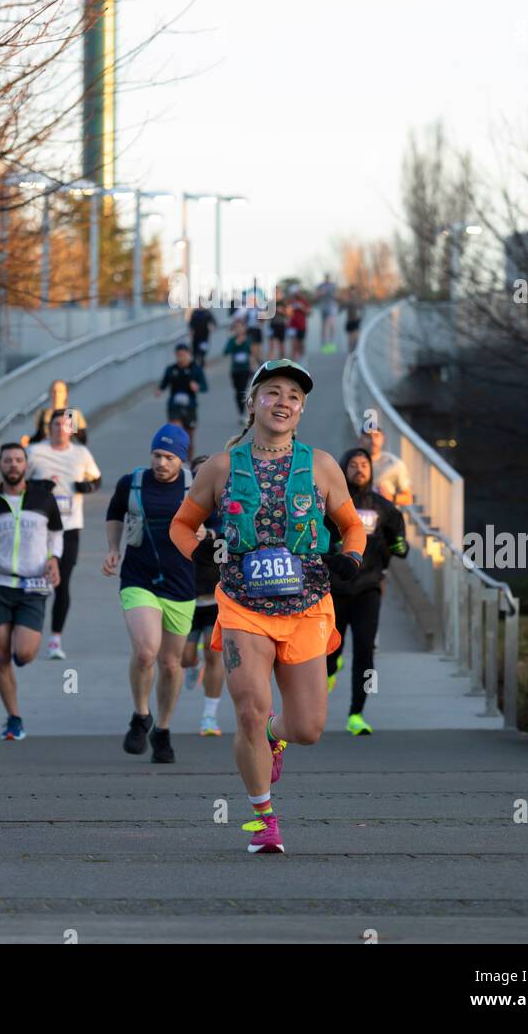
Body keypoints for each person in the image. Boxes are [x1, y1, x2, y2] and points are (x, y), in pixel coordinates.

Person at [170, 360, 367, 855]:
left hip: (306, 606)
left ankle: (279, 737)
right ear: (253, 401)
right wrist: (201, 553)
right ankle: (263, 818)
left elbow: (353, 526)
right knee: (251, 711)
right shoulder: (220, 466)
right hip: (242, 606)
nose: (283, 402)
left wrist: (352, 556)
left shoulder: (321, 464)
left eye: (294, 397)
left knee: (308, 728)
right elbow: (181, 525)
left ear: (301, 411)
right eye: (273, 392)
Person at [102, 424, 197, 764]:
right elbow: (115, 513)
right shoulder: (133, 482)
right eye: (157, 455)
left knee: (172, 664)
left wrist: (209, 532)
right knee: (146, 652)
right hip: (138, 579)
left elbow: (219, 521)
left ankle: (164, 729)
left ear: (181, 459)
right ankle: (141, 716)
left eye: (169, 457)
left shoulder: (194, 486)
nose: (161, 463)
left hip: (181, 586)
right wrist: (113, 549)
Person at [0, 443, 62, 740]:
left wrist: (53, 559)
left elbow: (56, 534)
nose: (13, 465)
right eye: (8, 461)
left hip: (33, 586)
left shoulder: (44, 499)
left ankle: (20, 654)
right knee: (0, 651)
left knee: (26, 653)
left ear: (26, 465)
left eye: (18, 460)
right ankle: (14, 718)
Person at [325, 447, 409, 734]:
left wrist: (400, 546)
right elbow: (312, 539)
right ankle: (331, 668)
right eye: (353, 465)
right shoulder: (327, 504)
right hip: (334, 588)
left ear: (371, 470)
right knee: (328, 650)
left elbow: (399, 541)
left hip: (368, 588)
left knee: (365, 651)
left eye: (364, 464)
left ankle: (356, 714)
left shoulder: (383, 507)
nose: (359, 469)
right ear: (342, 469)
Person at [26, 408, 101, 659]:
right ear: (49, 428)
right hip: (39, 528)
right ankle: (31, 633)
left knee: (62, 582)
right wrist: (37, 488)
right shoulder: (35, 452)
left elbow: (97, 479)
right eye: (55, 424)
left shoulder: (81, 453)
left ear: (72, 429)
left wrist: (86, 486)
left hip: (70, 526)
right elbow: (16, 482)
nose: (60, 429)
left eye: (65, 425)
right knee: (37, 582)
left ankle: (55, 640)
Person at [181, 455, 227, 736]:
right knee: (185, 657)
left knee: (214, 655)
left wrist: (209, 533)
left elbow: (235, 532)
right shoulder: (185, 507)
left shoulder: (227, 504)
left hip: (216, 594)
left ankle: (209, 718)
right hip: (185, 595)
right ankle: (191, 664)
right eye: (198, 475)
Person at [155, 342, 208, 459]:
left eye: (183, 355)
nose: (181, 358)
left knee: (188, 438)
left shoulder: (196, 369)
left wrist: (197, 387)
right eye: (178, 355)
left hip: (190, 408)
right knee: (176, 433)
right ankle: (175, 459)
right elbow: (164, 383)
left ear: (189, 354)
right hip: (174, 406)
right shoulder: (171, 369)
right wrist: (159, 390)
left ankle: (187, 462)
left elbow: (205, 387)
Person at [21, 377, 89, 447]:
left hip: (66, 452)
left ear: (66, 394)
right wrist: (28, 440)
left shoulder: (71, 413)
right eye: (54, 391)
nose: (56, 394)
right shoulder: (42, 413)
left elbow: (82, 439)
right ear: (50, 393)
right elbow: (40, 436)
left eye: (60, 391)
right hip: (48, 452)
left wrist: (72, 425)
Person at [358, 422, 413, 506]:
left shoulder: (394, 464)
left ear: (383, 439)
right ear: (360, 439)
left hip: (385, 515)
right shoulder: (352, 462)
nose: (373, 440)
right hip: (357, 514)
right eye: (368, 436)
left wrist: (391, 497)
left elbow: (408, 498)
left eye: (376, 436)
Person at [223, 315, 254, 415]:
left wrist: (254, 366)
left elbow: (252, 353)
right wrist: (236, 343)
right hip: (235, 370)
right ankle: (240, 410)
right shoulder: (232, 340)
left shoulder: (248, 339)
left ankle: (243, 412)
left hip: (245, 369)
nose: (239, 329)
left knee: (243, 389)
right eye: (237, 327)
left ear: (245, 328)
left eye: (241, 327)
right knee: (237, 391)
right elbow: (225, 352)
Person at [316, 273, 338, 353]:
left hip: (331, 307)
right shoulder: (320, 285)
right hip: (323, 307)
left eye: (328, 277)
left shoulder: (333, 285)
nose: (327, 279)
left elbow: (337, 296)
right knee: (323, 326)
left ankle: (332, 345)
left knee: (331, 325)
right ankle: (324, 345)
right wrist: (321, 293)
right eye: (326, 277)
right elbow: (316, 296)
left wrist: (333, 295)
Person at [286, 290, 310, 361]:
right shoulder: (290, 301)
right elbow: (287, 313)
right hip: (292, 326)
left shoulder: (303, 301)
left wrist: (301, 307)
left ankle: (303, 356)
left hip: (302, 325)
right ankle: (294, 359)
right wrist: (290, 309)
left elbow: (308, 312)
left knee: (301, 342)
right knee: (293, 343)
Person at [267, 290, 288, 359]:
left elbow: (289, 314)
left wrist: (282, 311)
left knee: (282, 344)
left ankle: (283, 361)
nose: (276, 294)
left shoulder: (284, 303)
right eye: (275, 293)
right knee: (271, 344)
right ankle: (271, 361)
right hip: (273, 325)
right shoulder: (271, 303)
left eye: (278, 293)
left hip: (281, 325)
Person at [343, 288, 362, 354]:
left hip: (356, 322)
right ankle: (350, 353)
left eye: (354, 293)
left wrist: (360, 318)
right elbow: (342, 307)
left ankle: (354, 352)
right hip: (350, 322)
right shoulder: (348, 301)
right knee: (351, 339)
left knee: (357, 338)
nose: (353, 294)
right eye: (351, 293)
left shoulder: (358, 301)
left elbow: (362, 309)